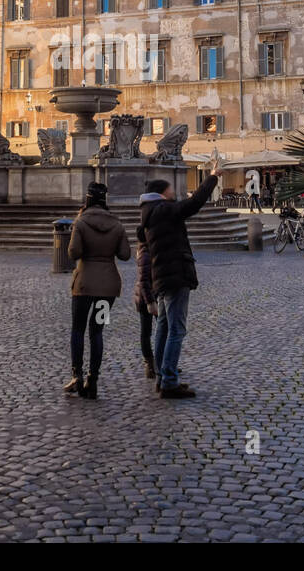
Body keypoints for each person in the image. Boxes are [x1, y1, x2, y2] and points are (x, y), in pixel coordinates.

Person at [141, 161, 219, 399]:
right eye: (170, 190)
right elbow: (193, 204)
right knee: (176, 329)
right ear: (162, 193)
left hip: (162, 277)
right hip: (174, 275)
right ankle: (169, 381)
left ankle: (164, 376)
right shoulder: (163, 210)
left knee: (164, 327)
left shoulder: (151, 213)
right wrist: (212, 177)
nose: (174, 193)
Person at [64, 182, 131, 399]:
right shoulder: (117, 224)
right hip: (108, 288)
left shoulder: (81, 222)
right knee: (97, 331)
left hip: (83, 286)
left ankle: (77, 375)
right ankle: (93, 379)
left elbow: (73, 253)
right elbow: (125, 254)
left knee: (78, 329)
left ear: (88, 199)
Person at [133, 211, 160, 379]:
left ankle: (163, 362)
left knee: (162, 329)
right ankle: (150, 364)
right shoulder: (145, 253)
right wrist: (150, 301)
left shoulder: (147, 251)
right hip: (146, 299)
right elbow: (144, 281)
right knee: (146, 332)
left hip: (151, 296)